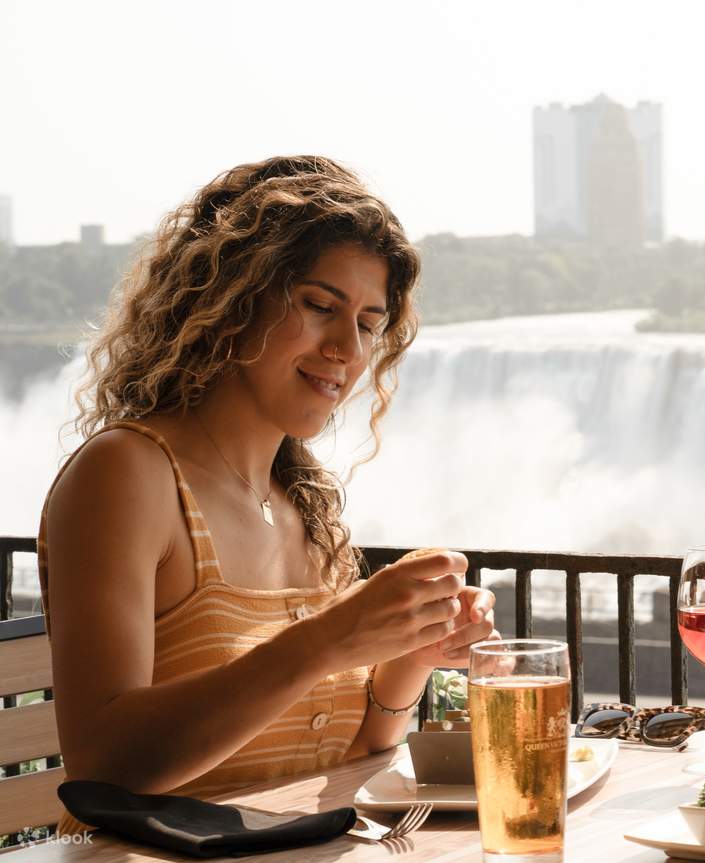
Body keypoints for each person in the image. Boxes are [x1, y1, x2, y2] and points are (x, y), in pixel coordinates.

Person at [37, 156, 500, 833]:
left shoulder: (302, 501)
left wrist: (412, 653)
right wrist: (327, 640)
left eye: (370, 323)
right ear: (227, 298)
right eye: (319, 307)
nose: (346, 347)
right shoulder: (128, 473)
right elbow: (104, 764)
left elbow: (349, 759)